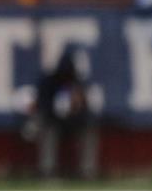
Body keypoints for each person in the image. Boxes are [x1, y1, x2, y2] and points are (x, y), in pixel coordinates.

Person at [25, 49, 98, 180]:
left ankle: (87, 171)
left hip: (74, 121)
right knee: (46, 128)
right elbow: (42, 105)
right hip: (52, 120)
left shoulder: (78, 83)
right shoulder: (49, 82)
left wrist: (76, 110)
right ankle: (47, 170)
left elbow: (86, 109)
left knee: (89, 129)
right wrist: (55, 114)